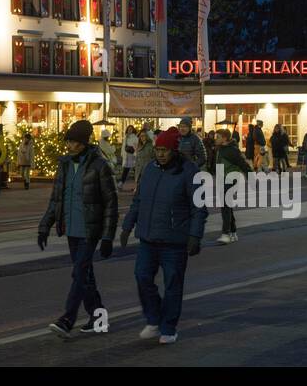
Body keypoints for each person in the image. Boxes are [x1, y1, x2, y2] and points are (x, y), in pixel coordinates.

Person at [120, 129, 207, 345]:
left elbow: (199, 208)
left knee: (173, 285)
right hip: (148, 239)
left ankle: (168, 327)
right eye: (158, 149)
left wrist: (194, 236)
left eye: (164, 150)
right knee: (142, 277)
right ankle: (153, 318)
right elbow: (138, 201)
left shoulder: (189, 172)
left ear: (174, 150)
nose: (160, 154)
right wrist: (127, 226)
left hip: (174, 242)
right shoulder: (150, 169)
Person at [39, 119, 118, 338]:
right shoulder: (64, 165)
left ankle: (67, 319)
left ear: (83, 143)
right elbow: (57, 199)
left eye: (73, 142)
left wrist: (108, 237)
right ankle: (98, 318)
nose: (69, 145)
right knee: (86, 276)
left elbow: (111, 203)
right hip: (71, 229)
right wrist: (44, 226)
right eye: (68, 141)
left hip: (89, 230)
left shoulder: (99, 166)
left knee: (79, 273)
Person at [215, 129, 250, 243]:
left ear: (225, 138)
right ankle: (233, 232)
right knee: (227, 206)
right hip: (223, 179)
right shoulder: (221, 149)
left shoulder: (232, 150)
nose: (216, 139)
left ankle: (226, 234)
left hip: (230, 179)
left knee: (225, 205)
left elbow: (243, 164)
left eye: (218, 137)